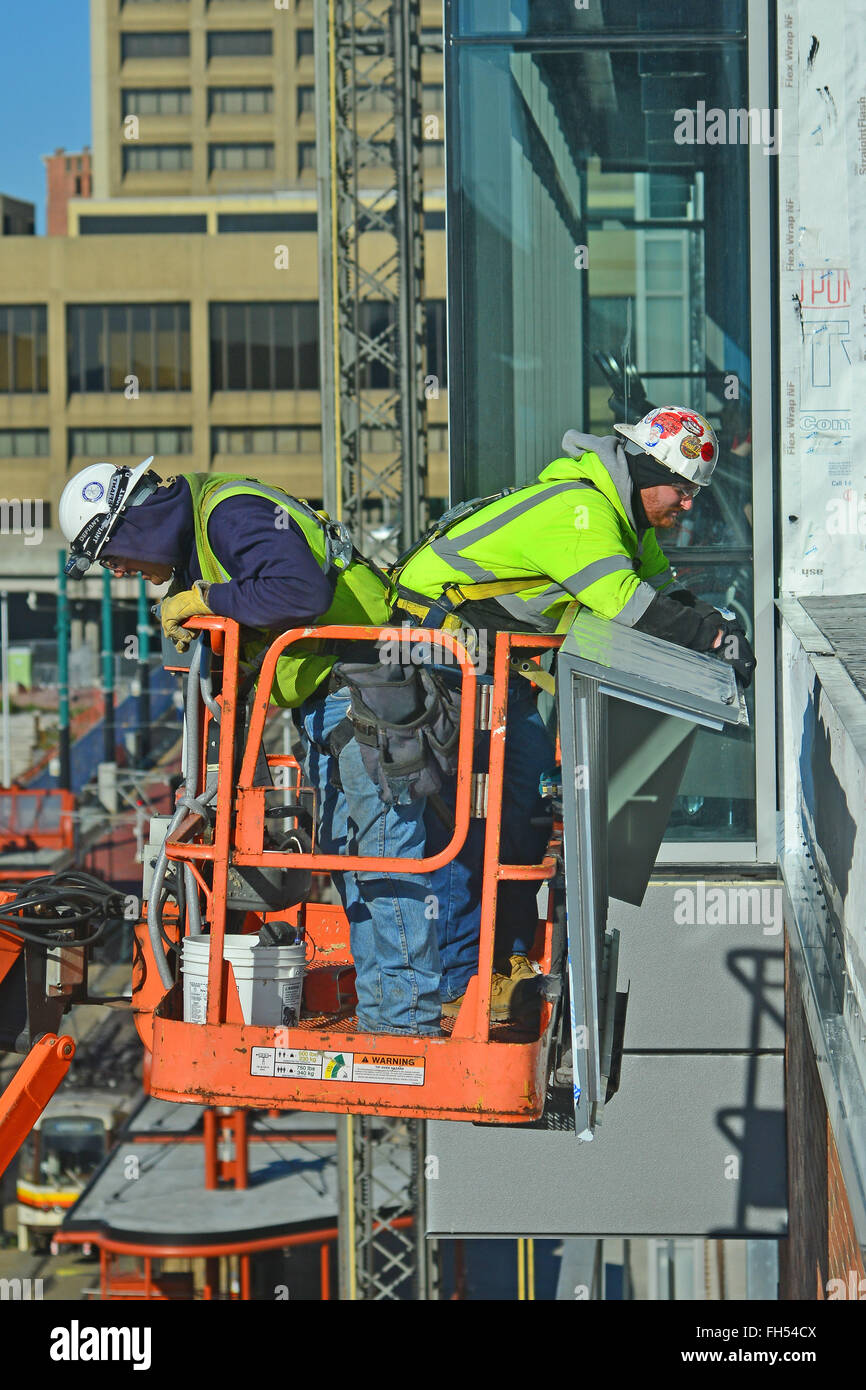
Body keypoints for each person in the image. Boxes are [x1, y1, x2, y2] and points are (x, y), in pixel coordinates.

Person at [391, 405, 756, 1020]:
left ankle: (501, 962)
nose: (688, 505)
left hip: (485, 658)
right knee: (465, 816)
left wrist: (715, 625)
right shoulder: (580, 512)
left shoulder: (626, 522)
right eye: (683, 489)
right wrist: (716, 641)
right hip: (434, 653)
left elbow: (666, 597)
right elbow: (628, 606)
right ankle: (463, 978)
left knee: (521, 810)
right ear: (644, 471)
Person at [58, 458, 444, 1038]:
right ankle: (385, 1014)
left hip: (364, 688)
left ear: (132, 525)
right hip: (333, 699)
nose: (118, 573)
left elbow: (300, 590)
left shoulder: (229, 513)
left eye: (111, 556)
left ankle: (406, 1023)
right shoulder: (206, 540)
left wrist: (210, 600)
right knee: (350, 857)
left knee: (383, 853)